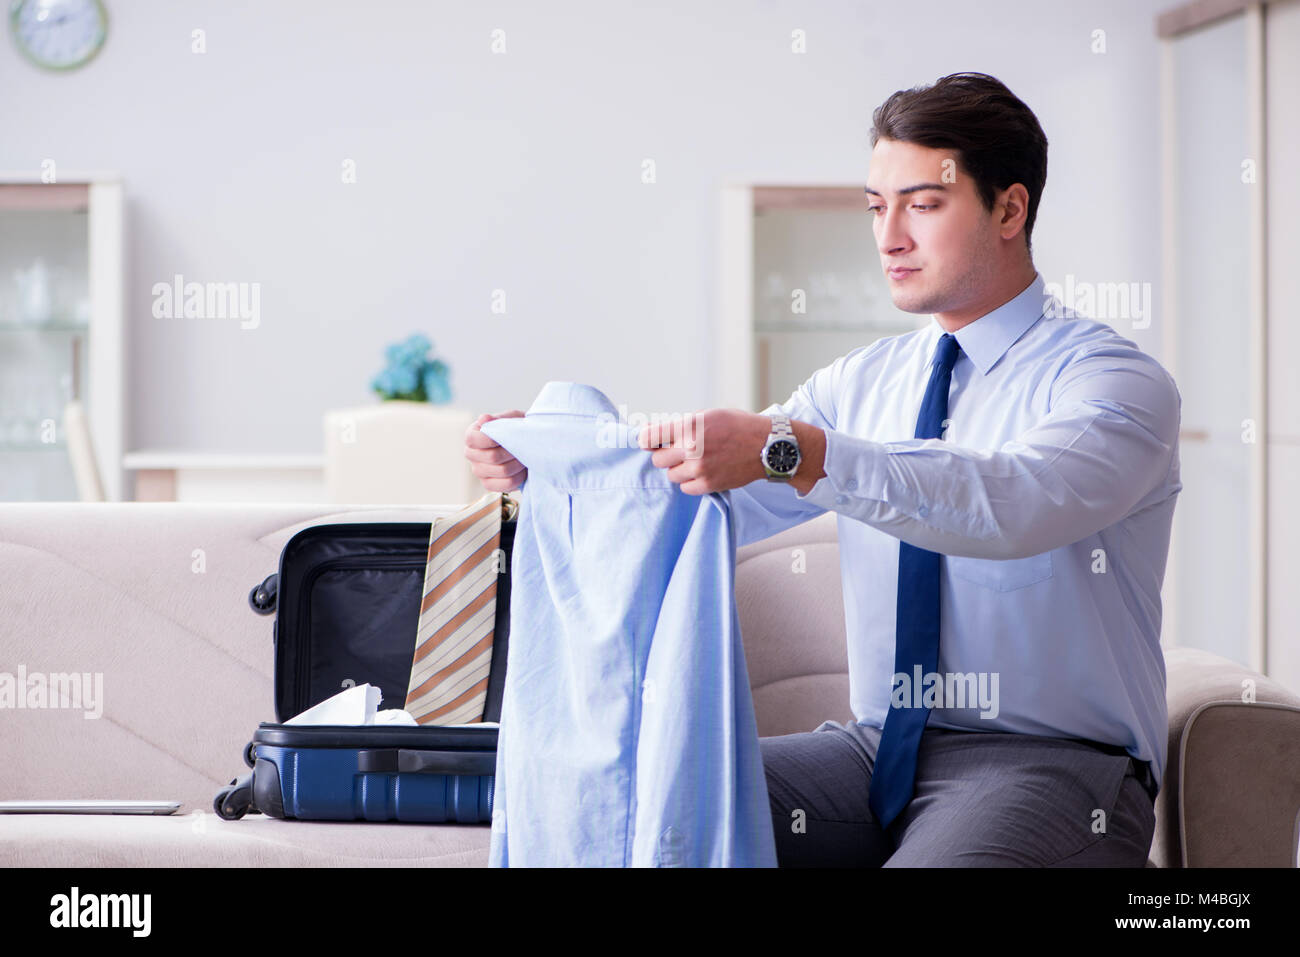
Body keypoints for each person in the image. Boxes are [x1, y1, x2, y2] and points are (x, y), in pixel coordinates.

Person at [464, 72, 1181, 867]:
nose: (889, 236)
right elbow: (718, 496)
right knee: (646, 797)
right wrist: (561, 467)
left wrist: (801, 449)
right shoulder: (859, 383)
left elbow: (1012, 501)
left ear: (1010, 209)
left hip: (1051, 766)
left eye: (924, 203)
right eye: (878, 207)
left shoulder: (1114, 382)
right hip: (875, 753)